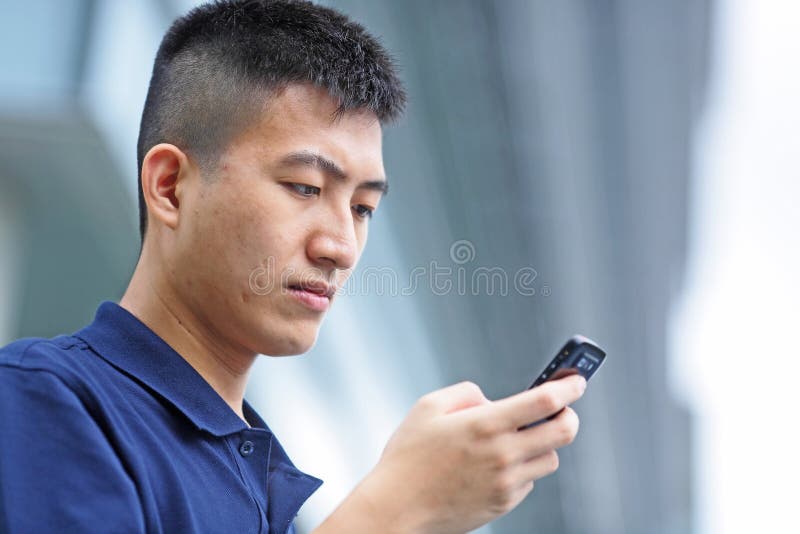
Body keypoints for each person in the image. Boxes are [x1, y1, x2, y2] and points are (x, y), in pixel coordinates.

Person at [0, 1, 586, 533]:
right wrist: (395, 512)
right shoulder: (44, 401)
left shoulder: (258, 480)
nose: (342, 247)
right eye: (305, 187)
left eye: (363, 208)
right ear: (171, 187)